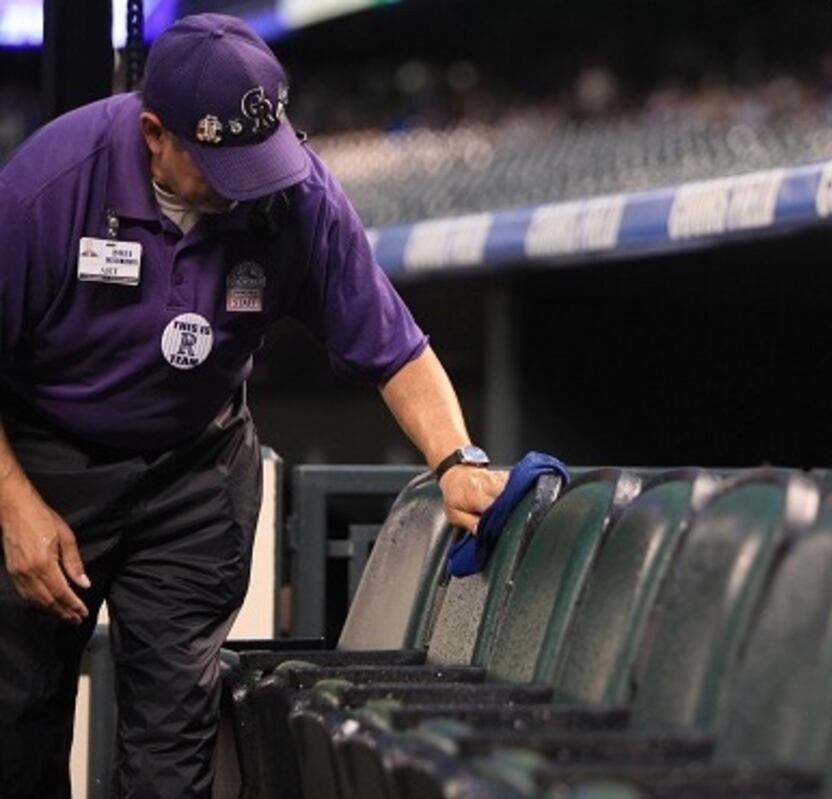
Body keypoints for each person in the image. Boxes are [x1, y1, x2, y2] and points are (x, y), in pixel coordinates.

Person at [0, 13, 506, 798]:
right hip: (43, 460)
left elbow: (393, 345)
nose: (251, 184)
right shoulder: (47, 187)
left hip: (192, 473)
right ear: (154, 134)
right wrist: (14, 506)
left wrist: (457, 458)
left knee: (171, 748)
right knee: (17, 724)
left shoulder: (295, 193)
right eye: (220, 163)